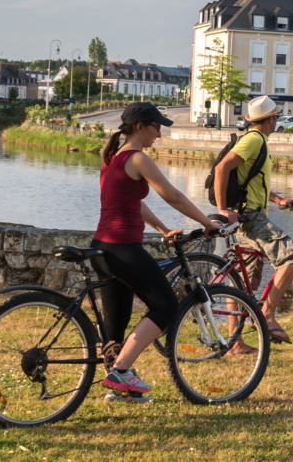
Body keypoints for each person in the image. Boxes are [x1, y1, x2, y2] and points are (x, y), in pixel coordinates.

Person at [95, 102, 221, 403]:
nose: (159, 135)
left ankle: (120, 386)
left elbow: (132, 203)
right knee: (166, 306)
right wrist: (207, 223)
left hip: (102, 247)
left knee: (117, 322)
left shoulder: (113, 159)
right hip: (123, 247)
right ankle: (121, 372)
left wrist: (163, 229)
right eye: (156, 127)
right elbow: (173, 195)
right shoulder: (138, 158)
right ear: (140, 127)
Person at [212, 95, 293, 343]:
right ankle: (267, 314)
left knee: (243, 283)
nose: (277, 121)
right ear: (270, 119)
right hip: (250, 217)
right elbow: (222, 168)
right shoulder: (254, 140)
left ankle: (234, 343)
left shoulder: (255, 140)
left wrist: (278, 199)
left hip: (247, 214)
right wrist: (222, 209)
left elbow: (251, 182)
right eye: (276, 117)